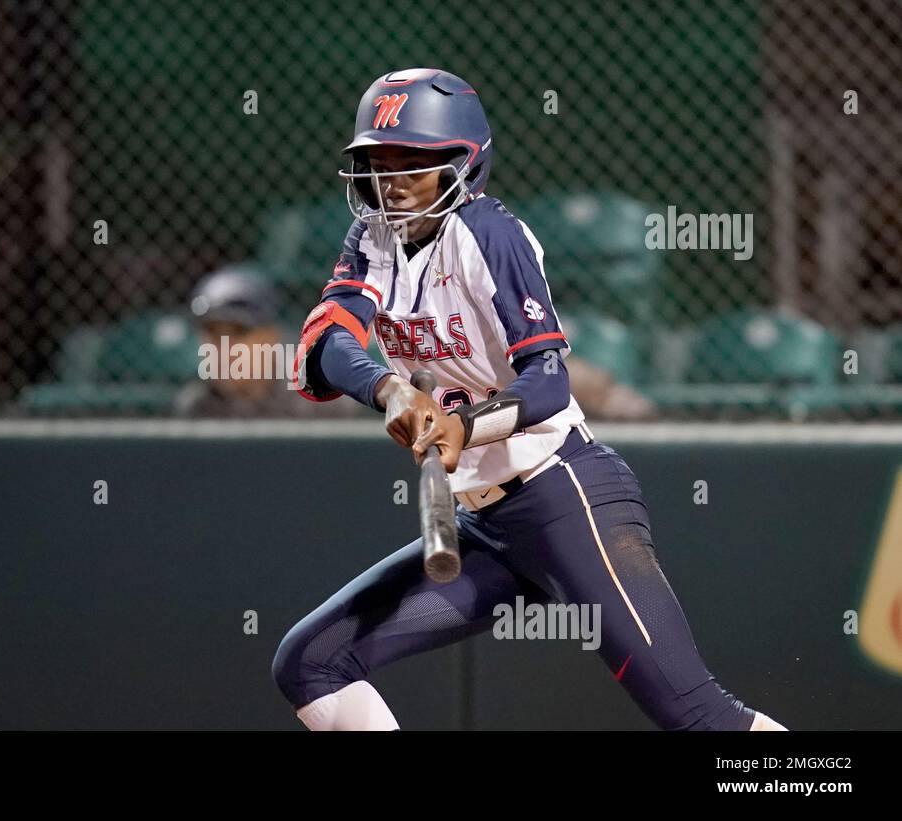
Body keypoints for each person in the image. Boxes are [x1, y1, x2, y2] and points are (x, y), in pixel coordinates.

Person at [270, 68, 786, 731]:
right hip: (483, 526)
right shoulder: (372, 238)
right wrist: (389, 387)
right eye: (377, 162)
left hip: (564, 497)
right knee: (309, 662)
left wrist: (463, 426)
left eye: (413, 162)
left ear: (462, 163)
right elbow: (324, 345)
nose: (392, 181)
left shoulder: (490, 235)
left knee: (695, 713)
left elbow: (548, 381)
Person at [174, 266, 364, 418]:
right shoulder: (198, 406)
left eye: (239, 333)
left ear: (271, 336)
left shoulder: (319, 400)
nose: (225, 348)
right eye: (214, 335)